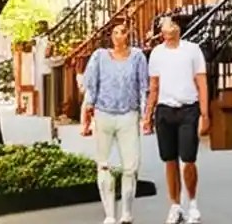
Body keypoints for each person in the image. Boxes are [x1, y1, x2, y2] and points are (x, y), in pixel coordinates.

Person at [81, 21, 149, 224]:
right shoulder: (100, 57)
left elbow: (143, 86)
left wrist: (145, 115)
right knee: (104, 165)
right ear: (111, 36)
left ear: (129, 35)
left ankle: (126, 212)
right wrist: (86, 116)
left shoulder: (137, 56)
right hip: (104, 114)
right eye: (116, 32)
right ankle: (110, 214)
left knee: (131, 166)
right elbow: (91, 86)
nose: (120, 36)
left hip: (129, 114)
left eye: (124, 32)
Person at [143, 16, 209, 224]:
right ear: (161, 32)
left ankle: (193, 203)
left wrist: (205, 114)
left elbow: (202, 82)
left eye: (172, 24)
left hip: (188, 109)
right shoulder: (157, 54)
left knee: (188, 160)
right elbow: (154, 86)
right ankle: (175, 205)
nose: (169, 28)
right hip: (164, 110)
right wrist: (148, 114)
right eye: (165, 25)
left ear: (179, 28)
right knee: (169, 160)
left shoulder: (192, 50)